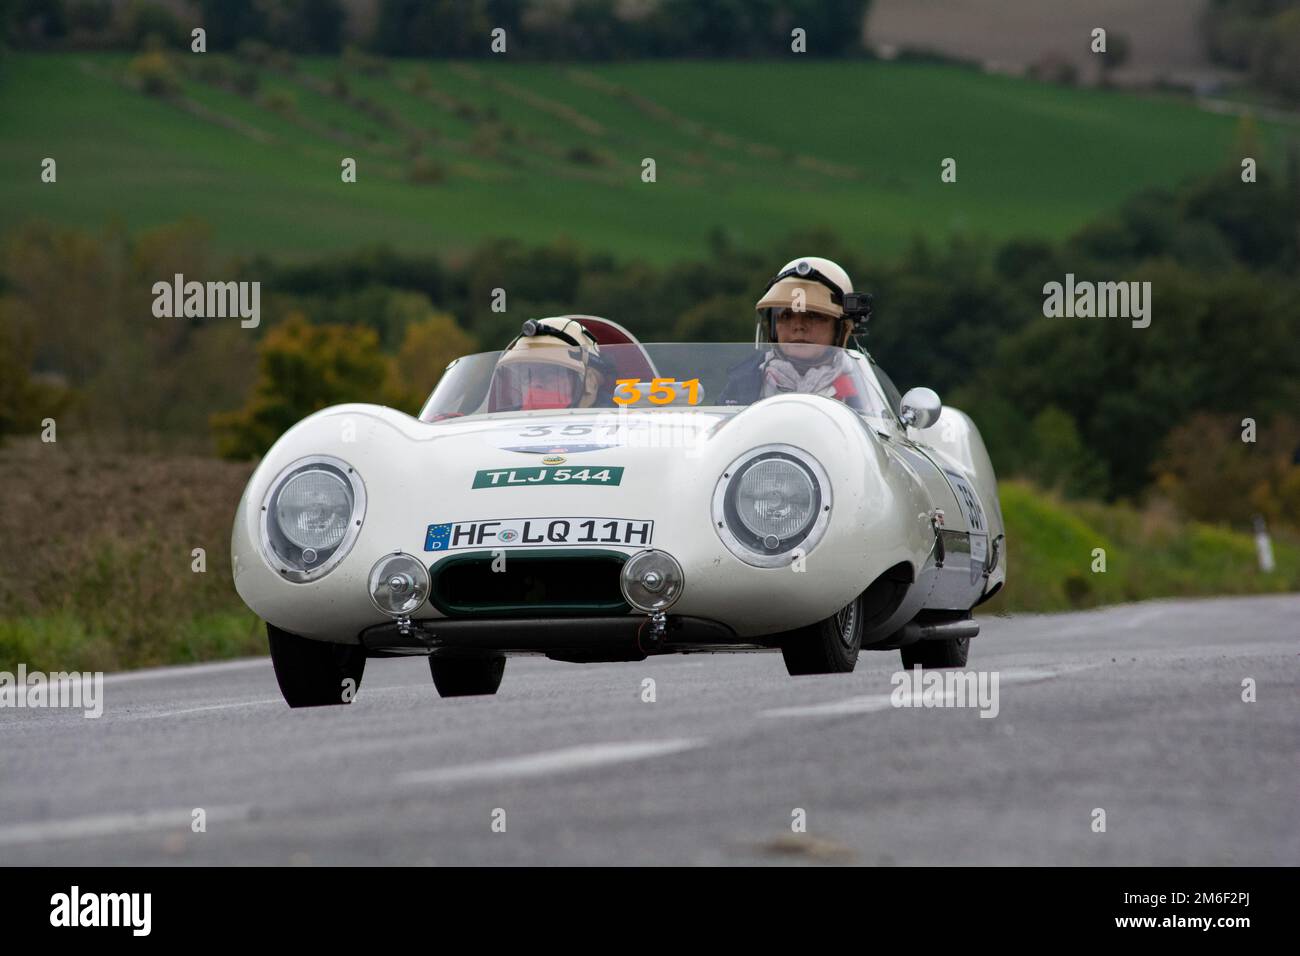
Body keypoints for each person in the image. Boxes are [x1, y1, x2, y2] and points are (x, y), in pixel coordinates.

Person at [721, 256, 866, 408]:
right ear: (772, 325)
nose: (798, 326)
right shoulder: (743, 382)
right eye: (786, 315)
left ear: (843, 328)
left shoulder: (863, 385)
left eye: (814, 315)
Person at [487, 317, 613, 411]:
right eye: (527, 376)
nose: (535, 383)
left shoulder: (620, 424)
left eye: (549, 373)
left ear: (590, 382)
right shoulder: (503, 427)